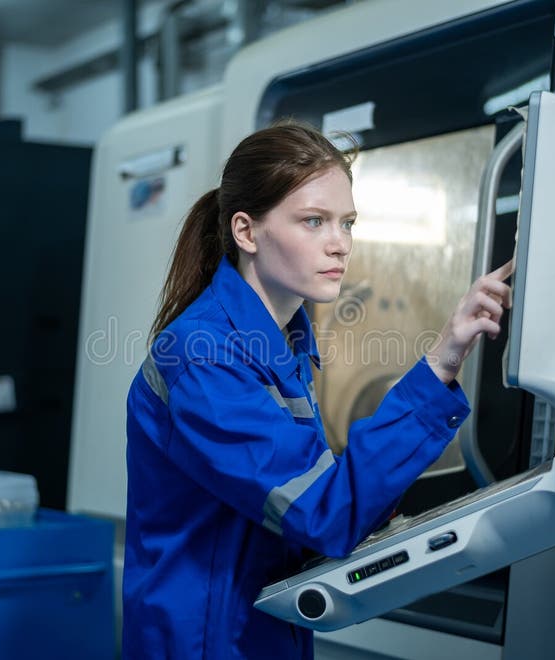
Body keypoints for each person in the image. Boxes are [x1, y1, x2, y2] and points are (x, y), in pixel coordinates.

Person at [123, 122, 513, 659]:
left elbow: (311, 505)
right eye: (314, 221)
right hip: (206, 644)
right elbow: (322, 512)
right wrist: (440, 357)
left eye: (347, 223)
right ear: (247, 232)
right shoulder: (203, 357)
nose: (340, 244)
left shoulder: (281, 345)